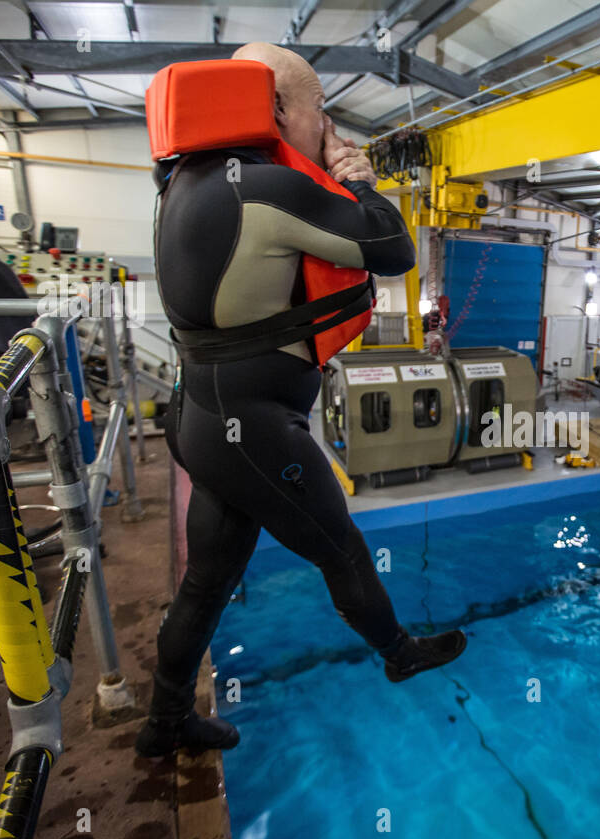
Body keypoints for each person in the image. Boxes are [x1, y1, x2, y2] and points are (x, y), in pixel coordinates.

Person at [136, 42, 466, 758]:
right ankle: (399, 652)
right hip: (249, 424)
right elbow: (390, 247)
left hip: (206, 412)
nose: (328, 126)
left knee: (208, 581)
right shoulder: (259, 187)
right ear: (280, 108)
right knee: (341, 548)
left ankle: (164, 724)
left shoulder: (186, 180)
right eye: (321, 110)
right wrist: (361, 178)